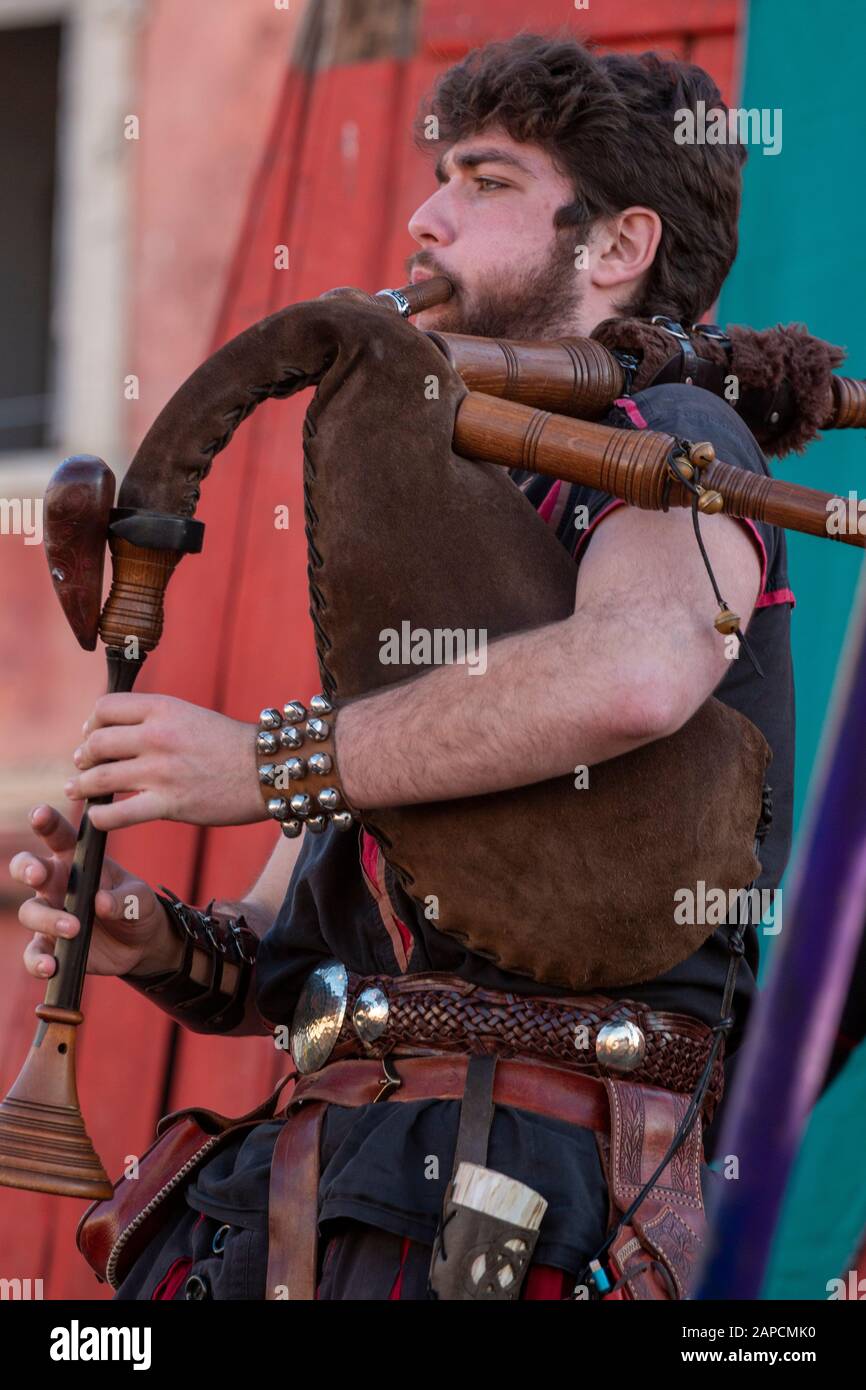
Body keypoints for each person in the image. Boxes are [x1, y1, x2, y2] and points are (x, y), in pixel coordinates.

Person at [10, 33, 793, 1300]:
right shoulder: (450, 522)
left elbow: (641, 667)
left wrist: (264, 760)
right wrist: (147, 941)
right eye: (439, 174)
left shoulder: (674, 430)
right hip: (331, 1186)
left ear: (613, 245)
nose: (423, 215)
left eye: (483, 181)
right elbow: (287, 962)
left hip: (522, 1190)